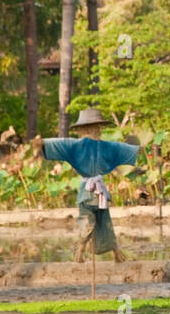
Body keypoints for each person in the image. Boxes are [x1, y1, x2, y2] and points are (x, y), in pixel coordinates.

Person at [37, 107, 140, 263]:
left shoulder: (96, 146)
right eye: (95, 128)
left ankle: (115, 252)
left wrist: (41, 143)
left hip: (96, 194)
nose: (96, 130)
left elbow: (123, 149)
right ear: (92, 128)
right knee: (92, 223)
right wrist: (41, 143)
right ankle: (82, 250)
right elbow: (126, 150)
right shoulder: (82, 146)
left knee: (103, 223)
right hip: (88, 192)